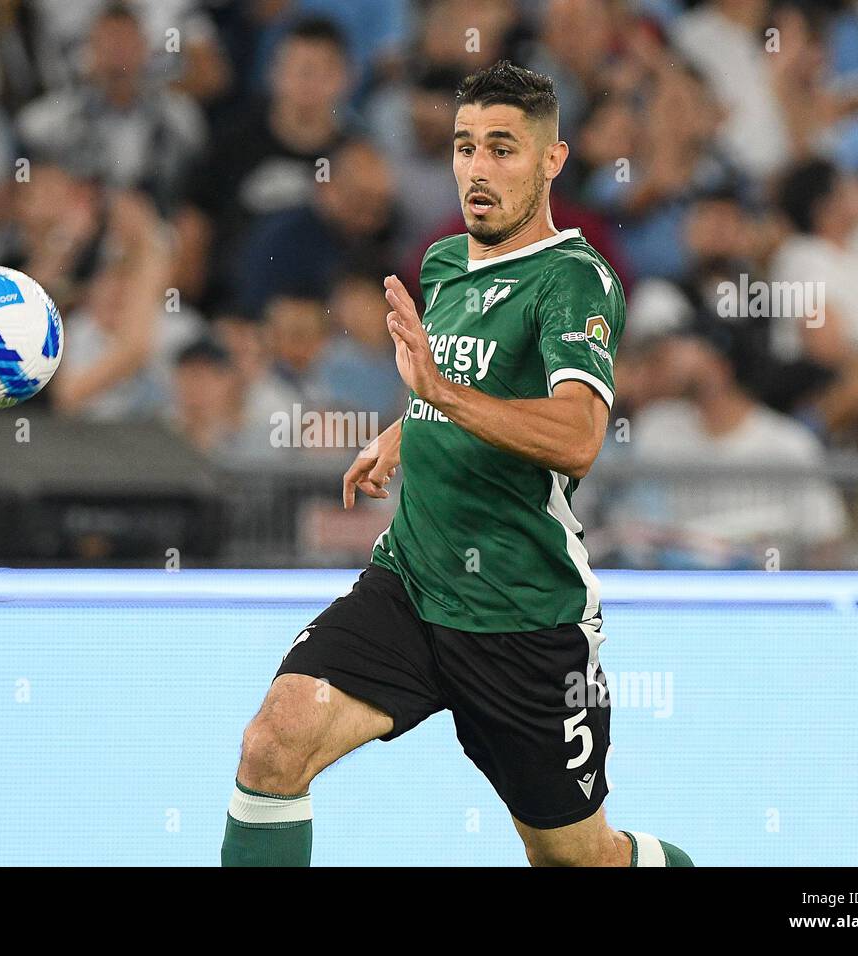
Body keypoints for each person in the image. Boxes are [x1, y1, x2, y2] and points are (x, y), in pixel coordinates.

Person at [222, 61, 691, 867]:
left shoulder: (574, 281)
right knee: (275, 740)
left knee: (580, 859)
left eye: (504, 149)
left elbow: (578, 436)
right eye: (465, 146)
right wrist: (406, 430)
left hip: (521, 618)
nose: (478, 168)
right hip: (409, 584)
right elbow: (461, 389)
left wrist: (435, 388)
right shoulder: (443, 263)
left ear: (552, 161)